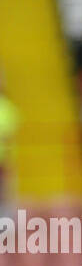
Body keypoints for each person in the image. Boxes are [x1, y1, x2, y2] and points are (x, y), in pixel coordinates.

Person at [0, 73, 20, 209]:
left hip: (4, 159)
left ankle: (6, 218)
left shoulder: (6, 107)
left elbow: (9, 137)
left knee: (5, 189)